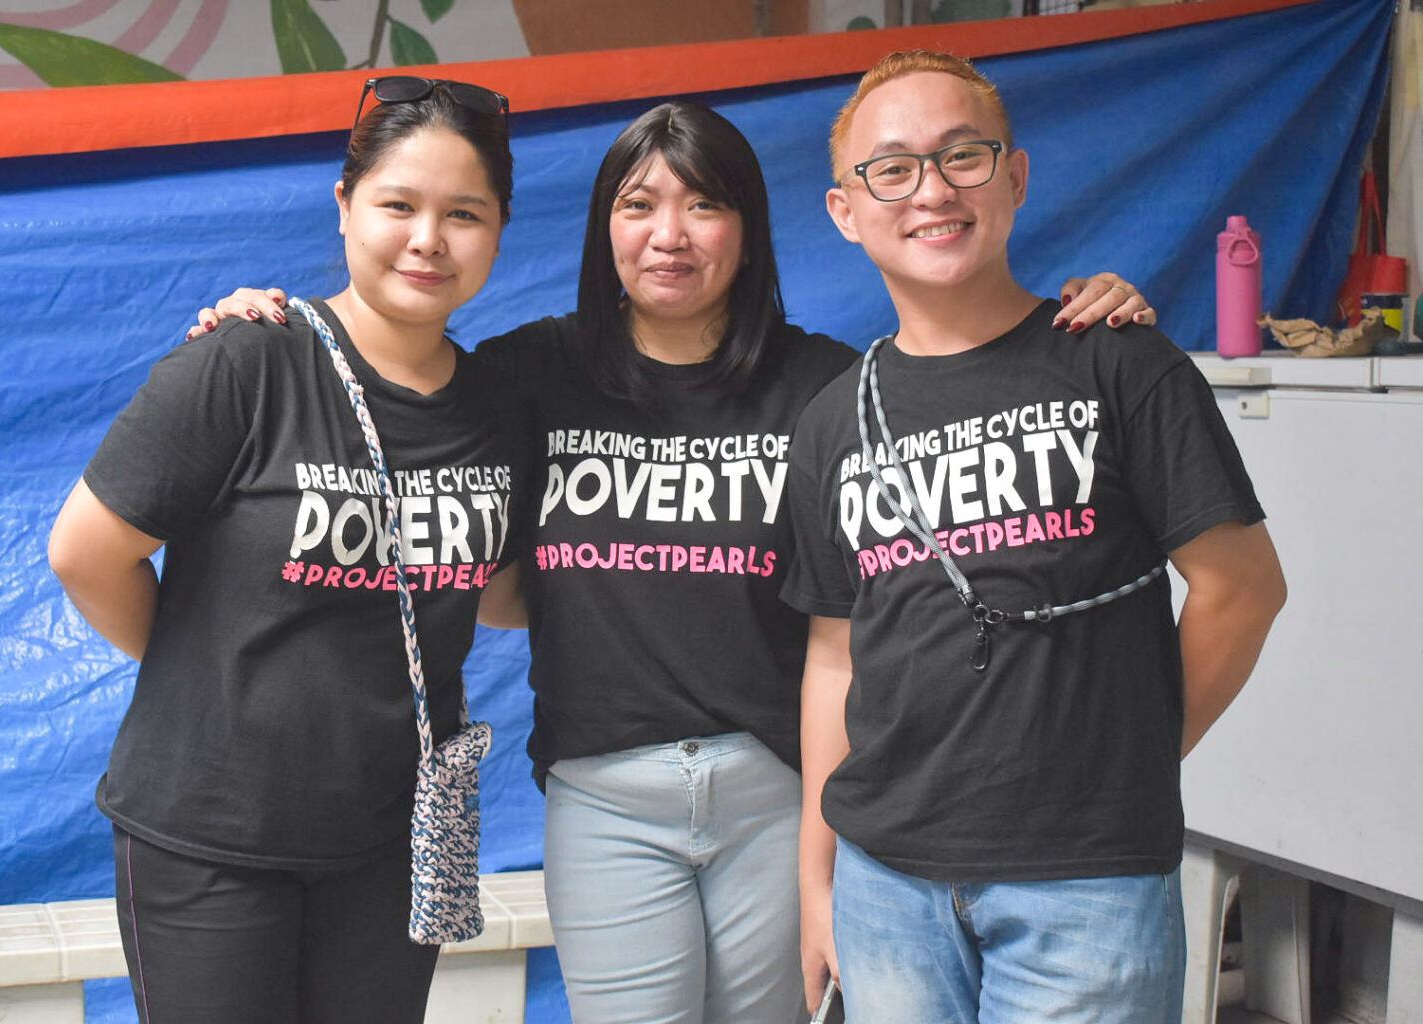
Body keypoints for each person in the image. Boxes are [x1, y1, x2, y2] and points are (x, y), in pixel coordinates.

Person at [192, 103, 1153, 1023]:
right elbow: (399, 401)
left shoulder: (825, 387)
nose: (671, 235)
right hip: (605, 799)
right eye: (638, 204)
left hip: (780, 796)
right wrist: (278, 330)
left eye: (705, 203)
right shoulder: (527, 375)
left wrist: (1075, 318)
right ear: (604, 226)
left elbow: (940, 442)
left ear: (748, 227)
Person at [782, 50, 1287, 1022]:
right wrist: (817, 880)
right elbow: (835, 658)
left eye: (961, 155)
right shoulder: (833, 422)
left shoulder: (1121, 363)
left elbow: (1243, 589)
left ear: (1013, 176)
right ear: (847, 211)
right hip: (887, 879)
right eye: (891, 168)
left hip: (1085, 883)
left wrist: (1130, 760)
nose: (931, 189)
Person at [47, 76, 533, 1024]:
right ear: (345, 205)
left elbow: (502, 591)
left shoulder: (504, 407)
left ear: (500, 228)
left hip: (393, 842)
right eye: (399, 204)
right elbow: (83, 553)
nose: (428, 238)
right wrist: (211, 667)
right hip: (211, 840)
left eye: (463, 213)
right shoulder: (249, 360)